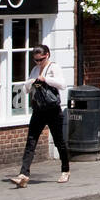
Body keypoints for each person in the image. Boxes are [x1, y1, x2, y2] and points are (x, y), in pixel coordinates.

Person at [10, 44, 70, 187]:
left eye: (40, 60)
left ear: (47, 55)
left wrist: (45, 79)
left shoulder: (54, 68)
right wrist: (31, 82)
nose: (38, 63)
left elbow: (62, 85)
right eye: (35, 60)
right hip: (38, 110)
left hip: (53, 110)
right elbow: (25, 90)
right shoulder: (35, 69)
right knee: (31, 141)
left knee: (58, 141)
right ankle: (23, 174)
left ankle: (65, 170)